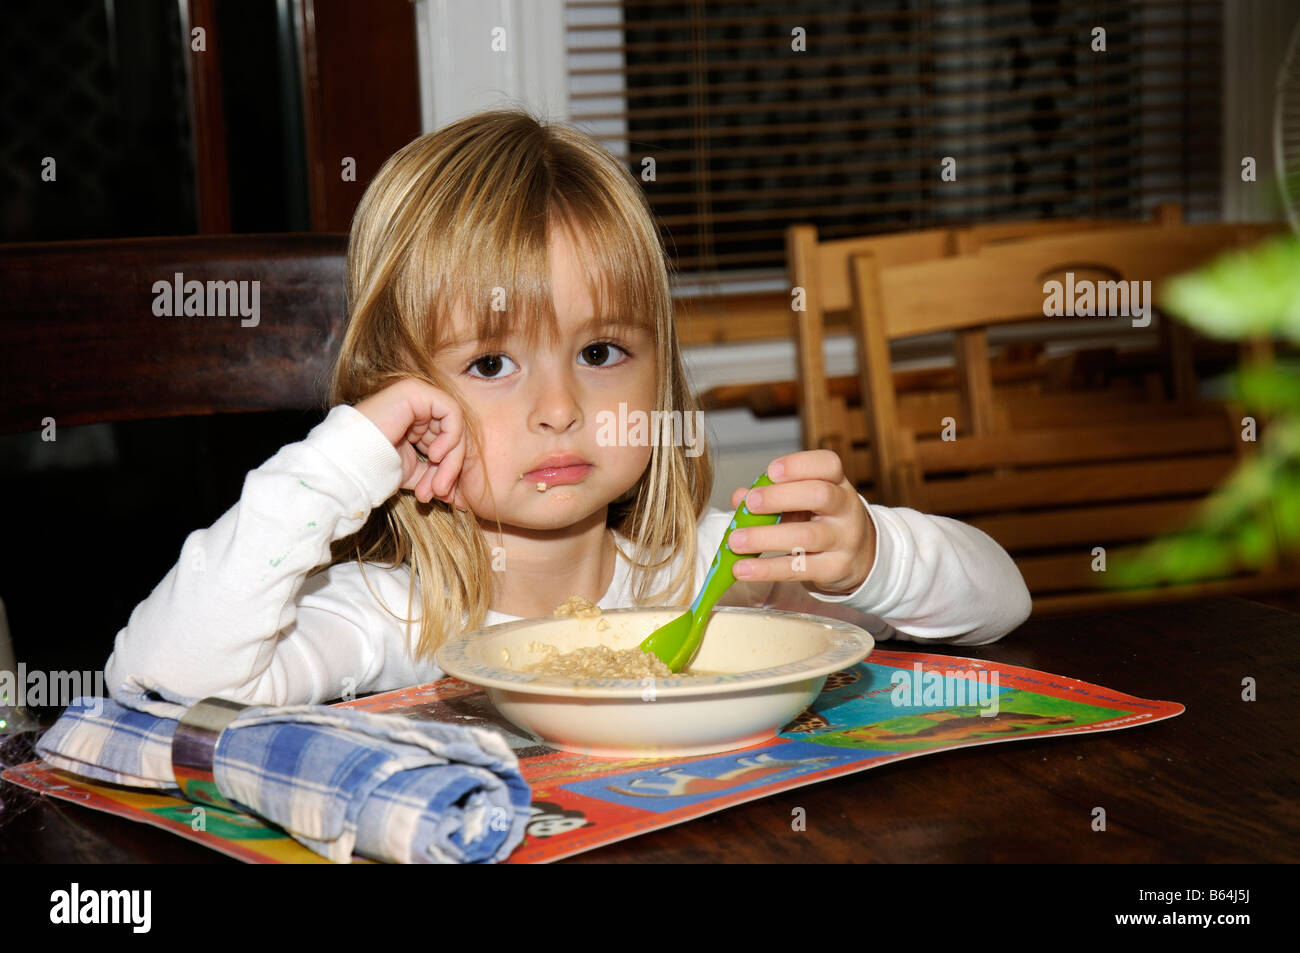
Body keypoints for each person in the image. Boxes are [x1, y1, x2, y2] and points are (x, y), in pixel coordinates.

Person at [103, 109, 1032, 706]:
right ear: (406, 400)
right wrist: (345, 457)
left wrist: (869, 555)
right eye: (493, 362)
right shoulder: (389, 617)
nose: (560, 407)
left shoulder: (713, 576)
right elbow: (158, 678)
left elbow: (1000, 598)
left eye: (600, 352)